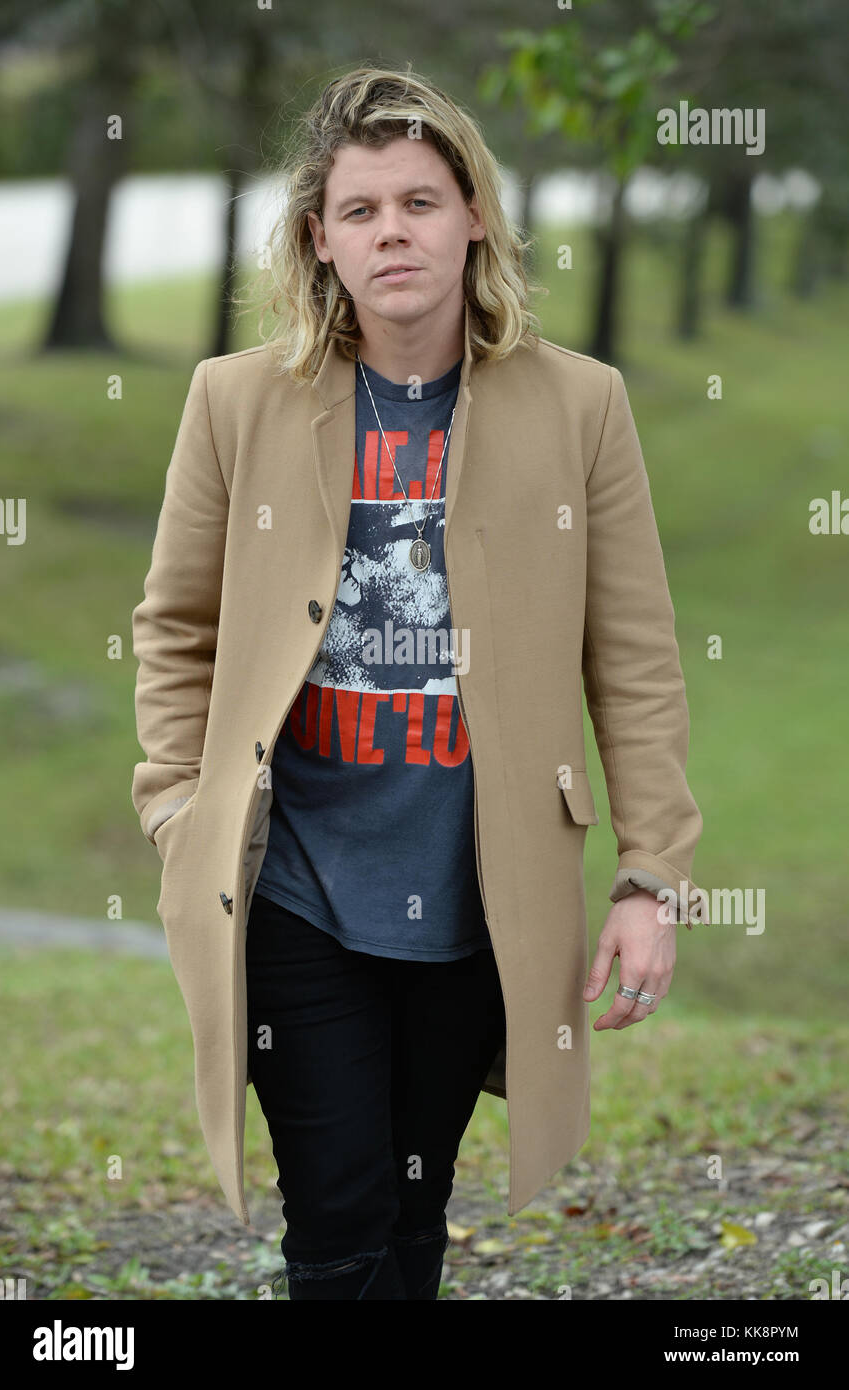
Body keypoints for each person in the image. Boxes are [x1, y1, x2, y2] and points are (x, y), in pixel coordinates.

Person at [131, 62, 706, 1301]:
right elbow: (174, 625)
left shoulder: (580, 406)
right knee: (335, 1213)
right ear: (319, 241)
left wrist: (652, 872)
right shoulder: (234, 403)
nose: (391, 230)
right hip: (293, 887)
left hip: (477, 892)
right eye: (359, 209)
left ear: (473, 217)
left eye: (420, 201)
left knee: (411, 1202)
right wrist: (178, 807)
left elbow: (638, 659)